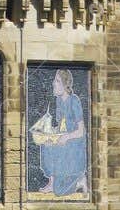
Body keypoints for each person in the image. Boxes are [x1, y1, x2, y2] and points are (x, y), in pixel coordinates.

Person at [31, 68, 87, 197]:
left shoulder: (74, 101)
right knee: (47, 144)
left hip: (74, 144)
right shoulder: (59, 101)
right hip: (64, 139)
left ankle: (80, 180)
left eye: (57, 81)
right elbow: (62, 125)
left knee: (59, 191)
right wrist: (50, 133)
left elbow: (81, 131)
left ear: (64, 84)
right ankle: (51, 182)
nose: (53, 83)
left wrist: (66, 137)